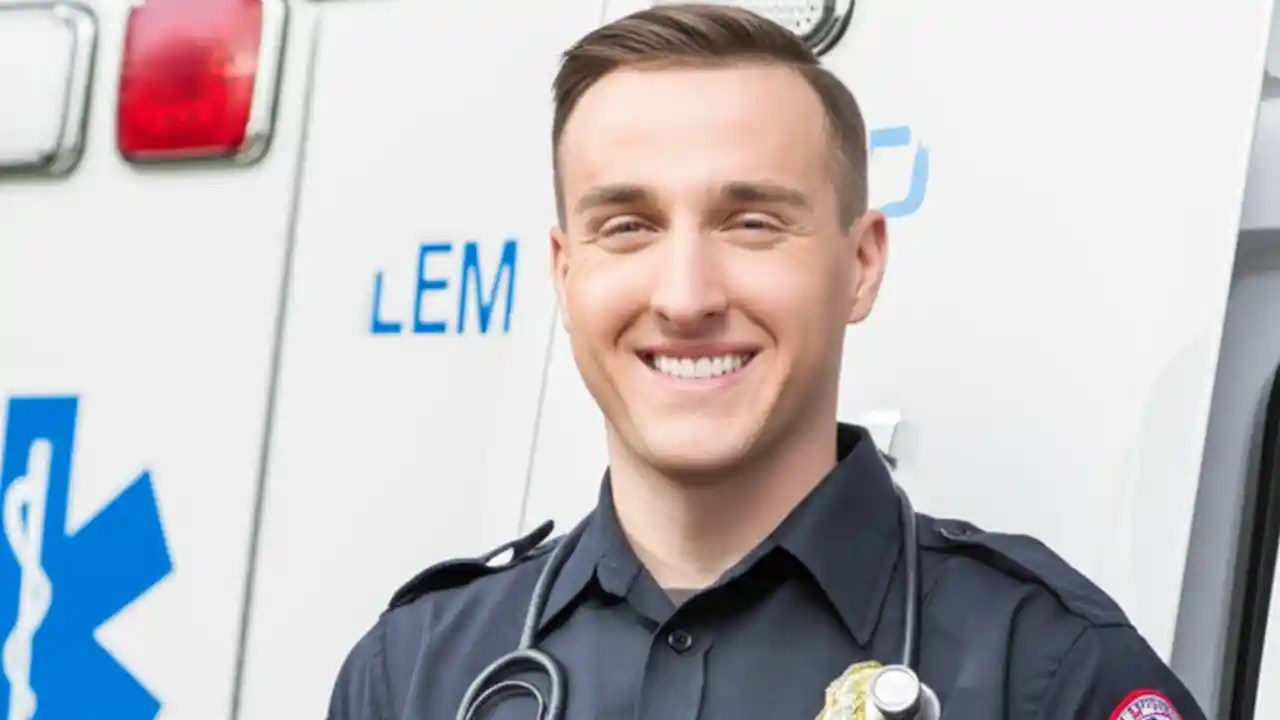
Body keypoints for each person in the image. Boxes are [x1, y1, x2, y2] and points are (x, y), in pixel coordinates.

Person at [327, 4, 1207, 719]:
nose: (685, 296)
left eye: (751, 223)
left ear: (861, 264)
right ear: (566, 274)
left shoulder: (1048, 671)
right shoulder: (414, 673)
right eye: (628, 226)